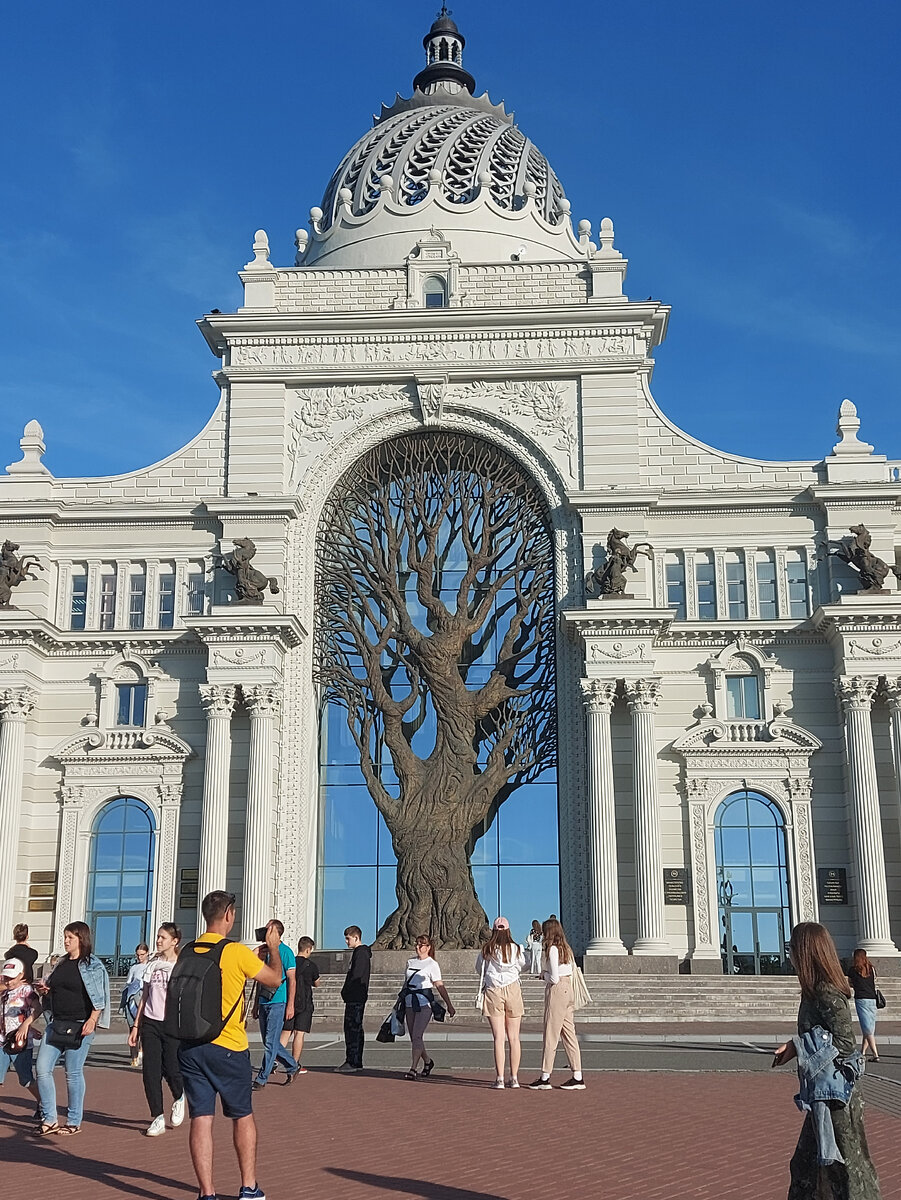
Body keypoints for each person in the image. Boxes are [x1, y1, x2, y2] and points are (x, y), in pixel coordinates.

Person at [174, 891, 283, 1200]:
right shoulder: (234, 951)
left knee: (201, 1119)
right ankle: (249, 1187)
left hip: (191, 1044)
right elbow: (274, 979)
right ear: (229, 916)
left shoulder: (188, 950)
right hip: (228, 1045)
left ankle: (206, 1192)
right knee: (242, 1115)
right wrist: (273, 948)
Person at [773, 922, 882, 1199]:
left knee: (845, 1171)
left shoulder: (826, 992)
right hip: (823, 1094)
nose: (790, 956)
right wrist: (797, 1048)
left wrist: (798, 1046)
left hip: (837, 1099)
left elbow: (845, 1044)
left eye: (793, 949)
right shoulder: (813, 990)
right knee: (809, 1167)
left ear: (807, 952)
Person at [33, 920, 111, 1135]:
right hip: (56, 1023)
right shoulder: (61, 963)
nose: (66, 941)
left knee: (73, 1073)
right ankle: (49, 1118)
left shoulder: (92, 965)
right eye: (65, 936)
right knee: (42, 1068)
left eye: (70, 937)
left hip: (80, 1025)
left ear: (81, 940)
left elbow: (100, 996)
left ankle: (74, 1120)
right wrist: (45, 990)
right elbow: (55, 989)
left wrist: (93, 1019)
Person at [127, 923, 186, 1136]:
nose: (158, 941)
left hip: (172, 1023)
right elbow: (144, 995)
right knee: (150, 1072)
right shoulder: (151, 965)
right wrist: (136, 1025)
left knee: (172, 1068)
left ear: (174, 941)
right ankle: (158, 1117)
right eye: (158, 937)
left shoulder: (181, 965)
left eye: (163, 937)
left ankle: (179, 1097)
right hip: (151, 1022)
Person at [528, 917, 584, 1090]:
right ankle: (577, 1075)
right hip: (569, 989)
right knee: (569, 1033)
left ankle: (545, 1076)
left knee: (551, 1033)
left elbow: (553, 978)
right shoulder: (566, 948)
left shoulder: (552, 949)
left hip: (557, 990)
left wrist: (542, 975)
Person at [477, 917, 526, 1089]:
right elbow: (523, 965)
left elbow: (479, 969)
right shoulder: (517, 948)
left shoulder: (487, 949)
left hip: (493, 990)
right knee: (514, 1037)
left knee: (499, 1038)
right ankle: (514, 1077)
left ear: (494, 930)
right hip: (512, 989)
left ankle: (499, 1078)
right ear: (508, 930)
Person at [251, 919, 299, 1089]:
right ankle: (293, 1066)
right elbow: (259, 979)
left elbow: (292, 980)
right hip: (264, 1000)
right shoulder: (264, 952)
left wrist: (290, 1004)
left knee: (271, 1042)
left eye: (268, 930)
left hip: (278, 1002)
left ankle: (262, 1078)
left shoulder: (286, 952)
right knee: (269, 1042)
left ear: (276, 933)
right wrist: (256, 1003)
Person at [401, 934, 455, 1080]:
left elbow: (439, 985)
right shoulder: (410, 962)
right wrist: (399, 1001)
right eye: (417, 944)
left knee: (417, 1035)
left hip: (424, 1004)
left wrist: (449, 1004)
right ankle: (428, 1062)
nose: (418, 947)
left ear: (428, 947)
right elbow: (406, 983)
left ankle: (413, 1068)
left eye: (422, 944)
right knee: (414, 1037)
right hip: (409, 1002)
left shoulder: (432, 964)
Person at [0, 958, 42, 1116]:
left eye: (11, 977)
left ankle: (43, 1102)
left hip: (20, 1043)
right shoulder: (4, 993)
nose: (8, 981)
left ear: (20, 975)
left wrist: (27, 1026)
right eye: (6, 977)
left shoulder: (26, 991)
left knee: (25, 1079)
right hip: (2, 1041)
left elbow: (37, 1009)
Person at [280, 936, 319, 1072]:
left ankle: (274, 1060)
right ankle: (294, 1063)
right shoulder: (311, 966)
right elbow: (317, 983)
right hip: (305, 1002)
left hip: (289, 1000)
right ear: (308, 949)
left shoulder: (291, 961)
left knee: (286, 1032)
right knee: (299, 1033)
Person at [336, 925, 371, 1073]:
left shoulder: (361, 953)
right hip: (354, 996)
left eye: (348, 938)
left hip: (356, 996)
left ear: (356, 937)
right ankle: (354, 1060)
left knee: (352, 1028)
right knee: (354, 1028)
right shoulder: (359, 953)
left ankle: (353, 1061)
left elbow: (356, 975)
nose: (346, 941)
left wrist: (348, 989)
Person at [847, 948, 880, 1062]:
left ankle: (875, 1054)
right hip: (872, 999)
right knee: (869, 1026)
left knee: (867, 1028)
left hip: (861, 999)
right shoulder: (871, 968)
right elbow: (874, 981)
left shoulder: (853, 970)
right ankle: (863, 1052)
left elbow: (850, 983)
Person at [123, 943, 151, 1067]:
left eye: (142, 955)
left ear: (147, 953)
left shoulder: (151, 966)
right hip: (133, 999)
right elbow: (128, 983)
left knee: (144, 1027)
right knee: (132, 1027)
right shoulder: (134, 968)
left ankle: (141, 1052)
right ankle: (133, 1056)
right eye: (138, 955)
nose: (140, 957)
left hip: (145, 998)